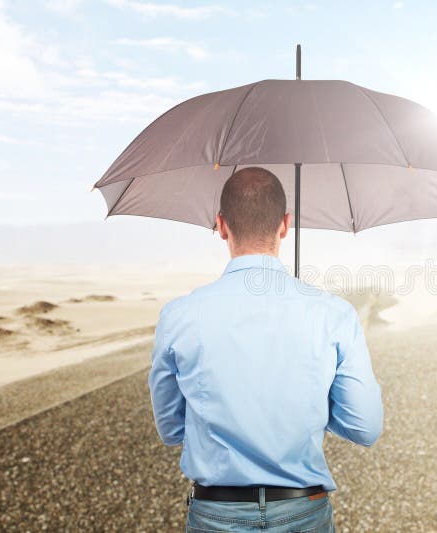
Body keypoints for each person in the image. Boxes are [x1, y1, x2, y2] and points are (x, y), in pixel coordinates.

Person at [148, 167, 383, 532]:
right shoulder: (332, 314)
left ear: (222, 225)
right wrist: (313, 406)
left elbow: (170, 430)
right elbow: (364, 427)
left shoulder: (179, 315)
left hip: (215, 514)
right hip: (303, 510)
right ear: (285, 224)